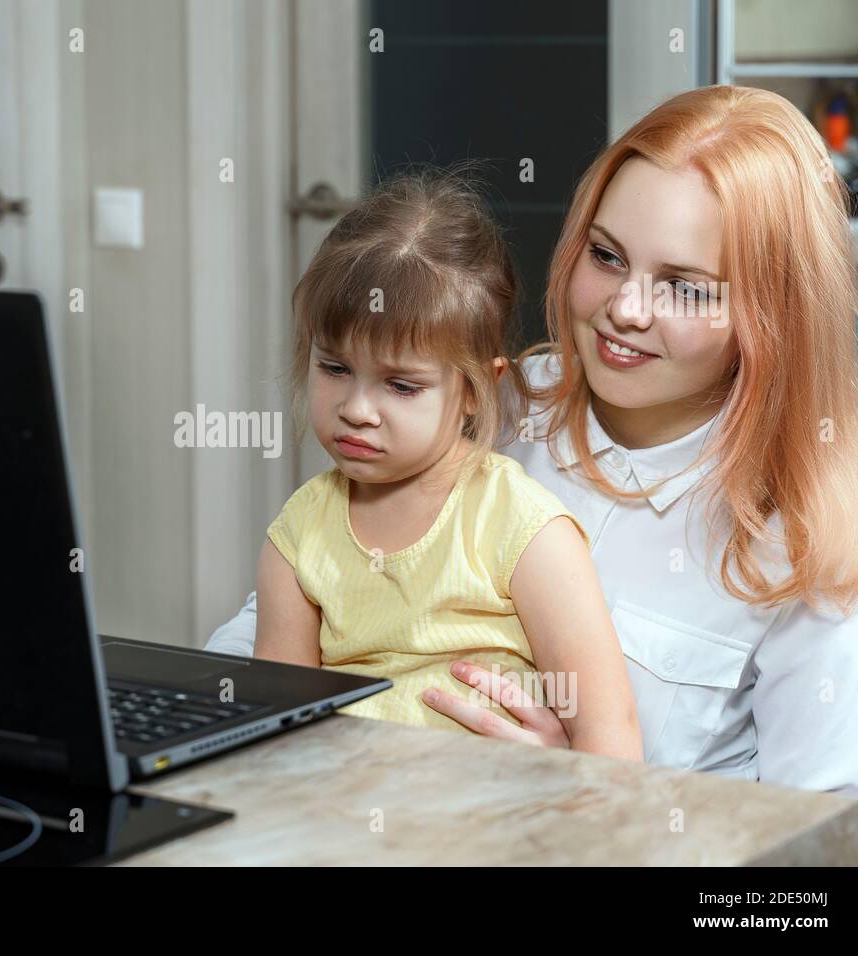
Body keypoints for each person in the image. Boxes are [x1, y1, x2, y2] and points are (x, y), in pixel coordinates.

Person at [208, 86, 858, 864]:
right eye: (607, 255)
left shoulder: (822, 537)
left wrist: (586, 795)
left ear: (774, 315)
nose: (625, 308)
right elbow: (275, 626)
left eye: (685, 286)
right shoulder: (488, 409)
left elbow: (803, 886)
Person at [254, 169, 642, 760]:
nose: (358, 410)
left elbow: (609, 737)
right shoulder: (297, 536)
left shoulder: (520, 526)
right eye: (334, 369)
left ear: (474, 391)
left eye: (401, 386)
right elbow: (273, 734)